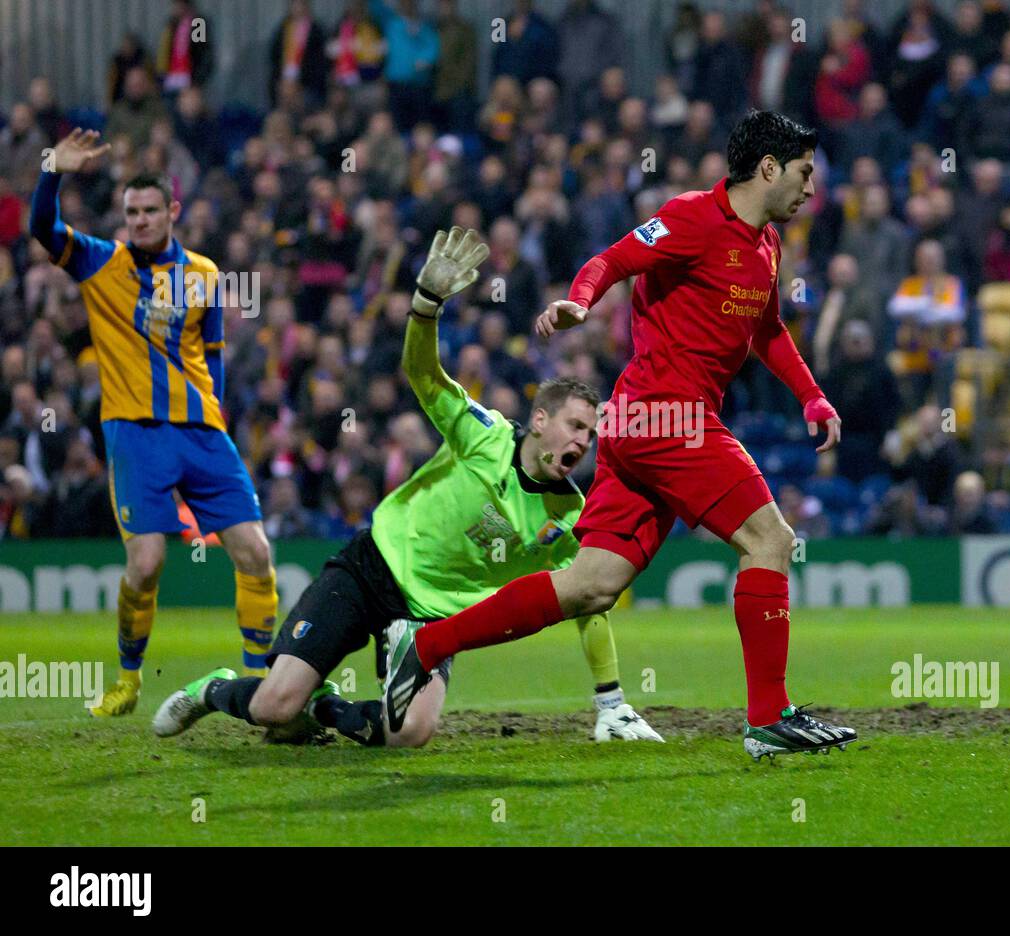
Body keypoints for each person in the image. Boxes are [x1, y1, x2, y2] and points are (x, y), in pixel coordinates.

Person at [382, 111, 857, 761]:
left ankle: (426, 645)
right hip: (666, 415)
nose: (812, 187)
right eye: (804, 173)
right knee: (770, 538)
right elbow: (613, 259)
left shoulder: (767, 244)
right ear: (769, 168)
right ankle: (770, 718)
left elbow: (767, 330)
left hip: (642, 424)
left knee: (590, 585)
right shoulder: (693, 217)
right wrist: (581, 300)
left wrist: (811, 394)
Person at [153, 228, 661, 747]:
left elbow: (586, 600)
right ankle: (212, 690)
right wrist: (426, 305)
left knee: (410, 734)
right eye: (575, 425)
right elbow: (422, 372)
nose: (585, 440)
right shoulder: (482, 434)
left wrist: (610, 699)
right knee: (273, 706)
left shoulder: (571, 515)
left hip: (430, 620)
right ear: (538, 419)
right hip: (374, 566)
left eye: (592, 433)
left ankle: (325, 705)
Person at [29, 129, 278, 716]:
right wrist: (51, 169)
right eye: (130, 212)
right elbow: (44, 228)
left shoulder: (205, 275)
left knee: (257, 554)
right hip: (136, 434)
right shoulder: (101, 262)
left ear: (172, 211)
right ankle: (129, 679)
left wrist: (215, 419)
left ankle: (263, 681)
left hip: (201, 433)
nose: (139, 221)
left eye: (148, 211)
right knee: (145, 563)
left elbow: (211, 358)